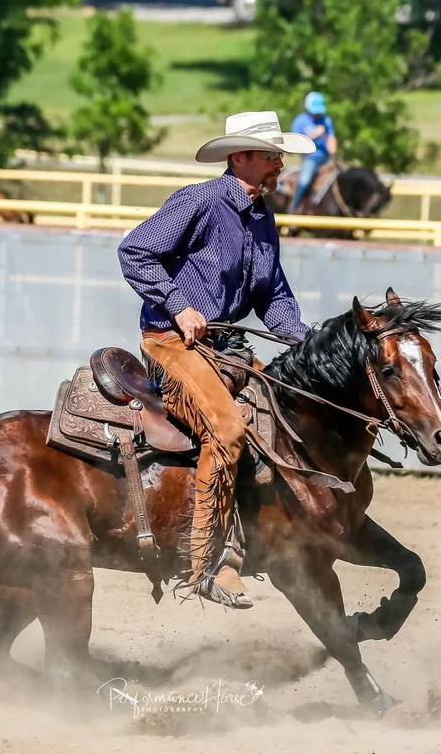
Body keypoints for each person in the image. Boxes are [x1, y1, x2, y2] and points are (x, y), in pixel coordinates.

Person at [118, 111, 315, 610]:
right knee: (226, 430)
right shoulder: (200, 200)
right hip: (172, 342)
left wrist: (307, 342)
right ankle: (206, 563)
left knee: (290, 418)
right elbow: (135, 251)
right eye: (272, 156)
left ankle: (270, 534)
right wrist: (178, 306)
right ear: (240, 158)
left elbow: (273, 294)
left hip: (225, 348)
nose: (280, 166)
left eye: (280, 157)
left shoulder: (263, 216)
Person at [289, 92, 338, 214]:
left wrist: (332, 144)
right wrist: (314, 134)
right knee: (304, 181)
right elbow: (294, 141)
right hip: (310, 157)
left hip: (325, 157)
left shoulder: (326, 120)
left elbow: (332, 138)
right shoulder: (300, 121)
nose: (317, 114)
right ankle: (293, 210)